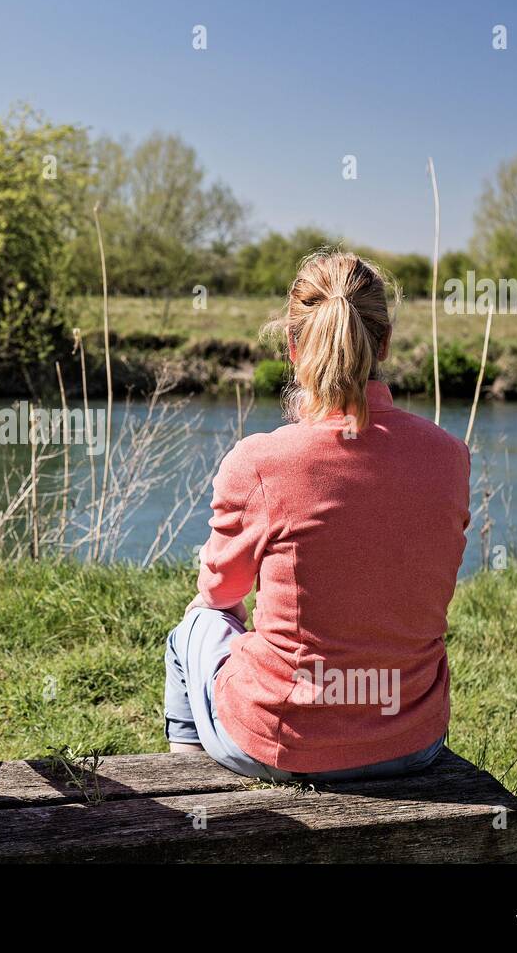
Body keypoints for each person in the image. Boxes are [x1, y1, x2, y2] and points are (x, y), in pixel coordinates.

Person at [164, 251, 471, 783]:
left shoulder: (259, 462)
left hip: (282, 742)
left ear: (292, 345)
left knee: (194, 629)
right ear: (386, 344)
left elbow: (220, 595)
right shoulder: (450, 457)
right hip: (413, 739)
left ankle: (192, 803)